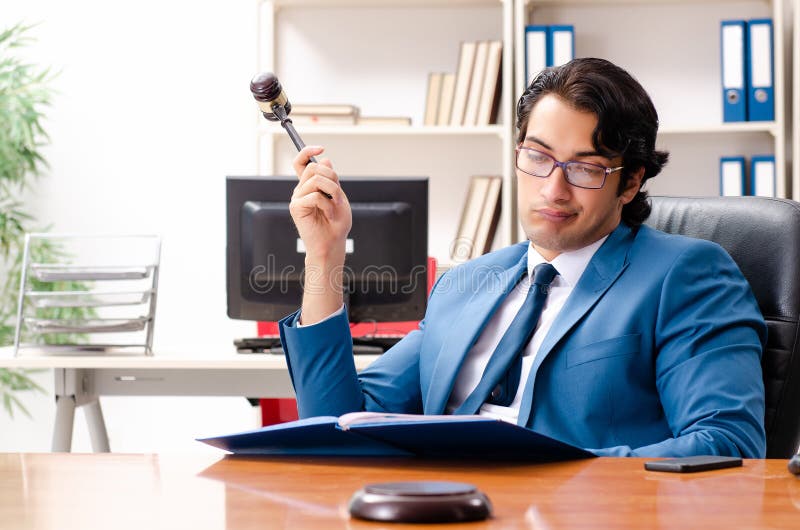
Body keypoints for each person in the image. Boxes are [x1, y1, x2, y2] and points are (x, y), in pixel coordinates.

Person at [278, 58, 767, 458]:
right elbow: (333, 424)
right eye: (537, 157)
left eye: (585, 168)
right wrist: (325, 253)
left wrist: (555, 474)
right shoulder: (464, 283)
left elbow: (728, 443)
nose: (553, 190)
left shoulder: (686, 275)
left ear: (631, 181)